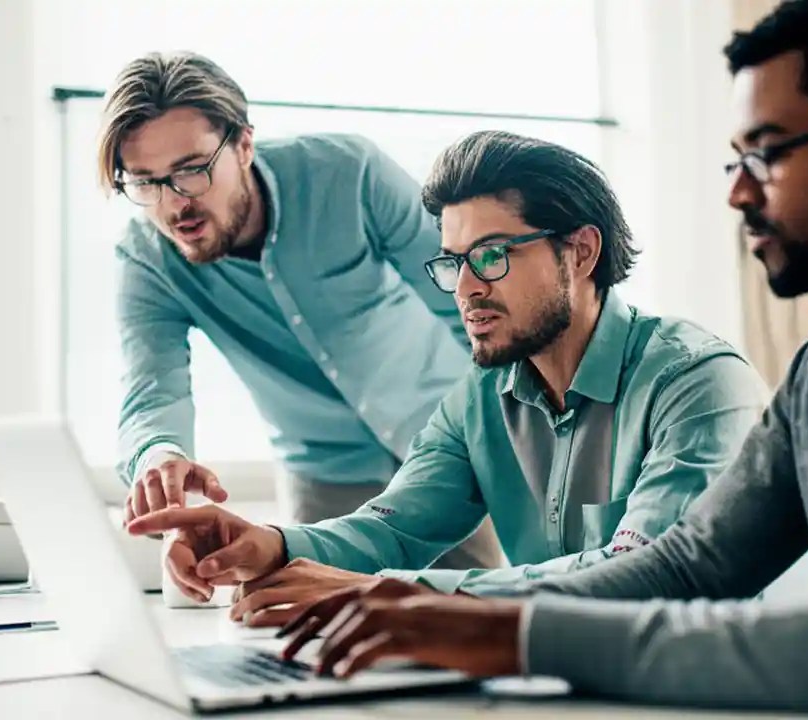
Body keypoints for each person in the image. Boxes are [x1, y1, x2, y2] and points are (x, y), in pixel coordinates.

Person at [257, 1, 808, 716]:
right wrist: (423, 608)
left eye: (768, 153)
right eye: (737, 159)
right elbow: (691, 562)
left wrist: (502, 629)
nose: (738, 190)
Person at [127, 130, 768, 620]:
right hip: (559, 682)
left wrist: (387, 594)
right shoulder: (480, 397)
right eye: (453, 262)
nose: (464, 289)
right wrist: (269, 544)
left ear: (579, 251)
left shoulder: (698, 383)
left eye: (490, 256)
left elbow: (646, 575)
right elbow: (393, 527)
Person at [100, 51, 497, 569]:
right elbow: (152, 387)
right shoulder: (146, 258)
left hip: (440, 445)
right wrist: (159, 456)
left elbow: (467, 297)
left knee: (472, 605)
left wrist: (507, 423)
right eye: (144, 182)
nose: (174, 203)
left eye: (192, 171)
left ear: (243, 145)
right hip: (321, 476)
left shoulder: (349, 173)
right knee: (315, 614)